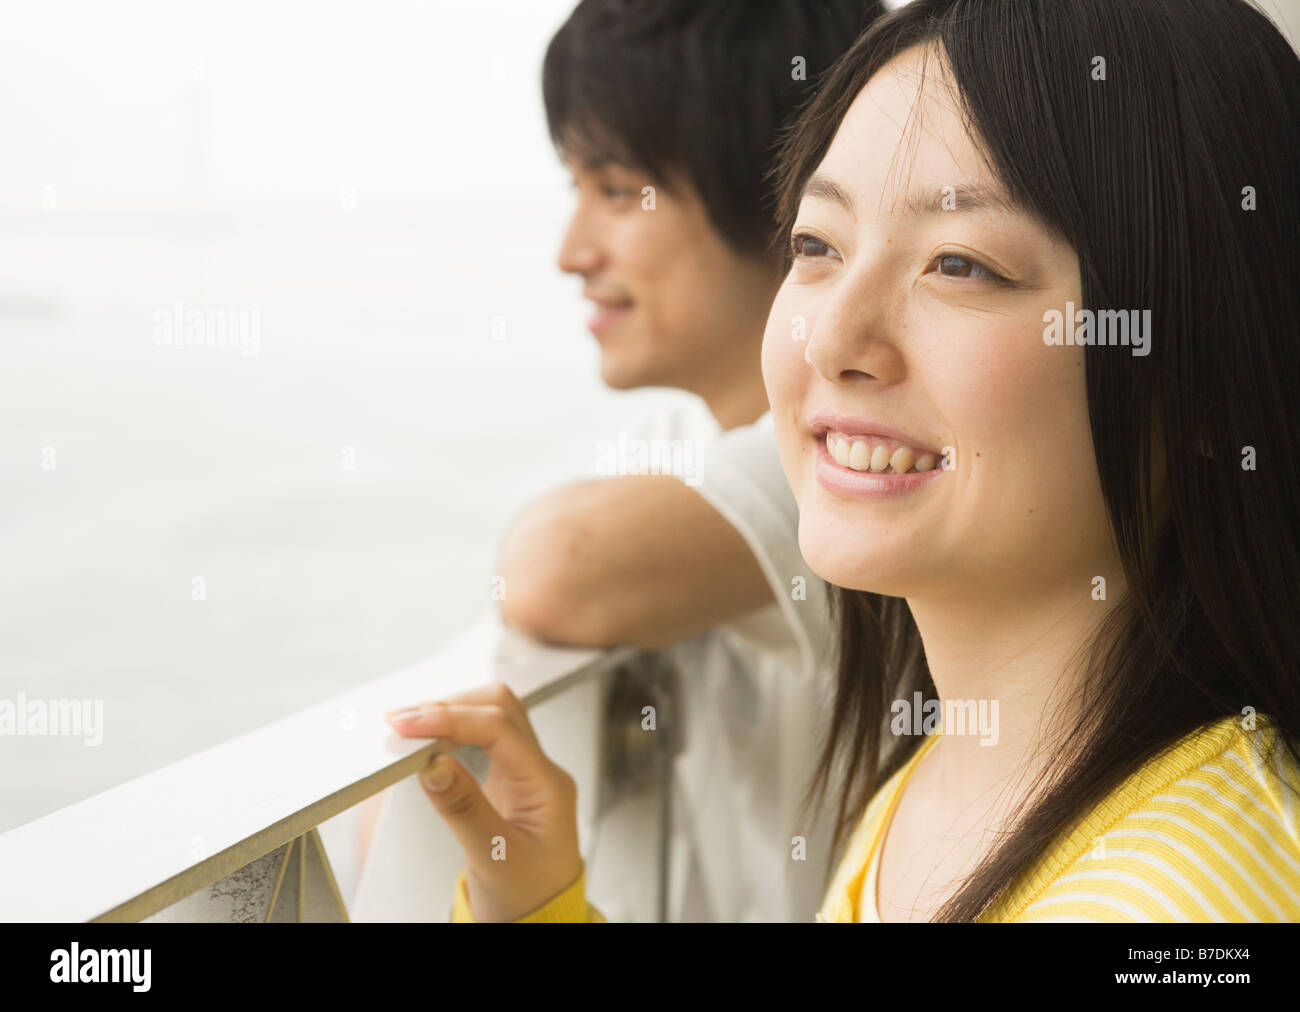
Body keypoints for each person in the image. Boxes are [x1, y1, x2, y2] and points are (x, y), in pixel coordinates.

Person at [391, 0, 1300, 922]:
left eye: (959, 265)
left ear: (1206, 359)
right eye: (817, 245)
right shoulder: (938, 790)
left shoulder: (1175, 908)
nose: (831, 334)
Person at [361, 0, 885, 923]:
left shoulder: (860, 449)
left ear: (782, 194)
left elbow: (557, 569)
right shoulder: (688, 446)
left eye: (616, 189)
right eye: (574, 186)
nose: (572, 253)